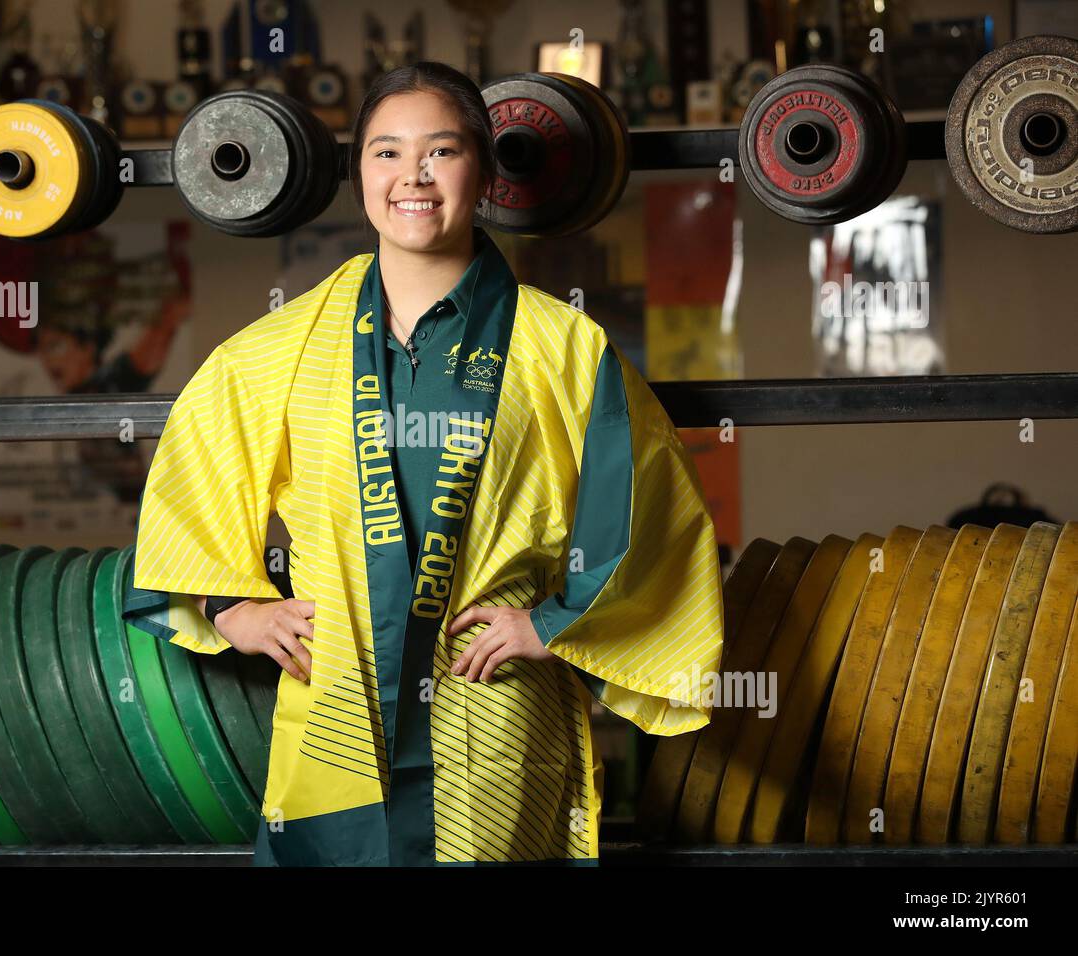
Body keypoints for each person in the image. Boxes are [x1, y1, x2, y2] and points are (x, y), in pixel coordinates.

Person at [124, 61, 724, 866]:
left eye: (441, 151)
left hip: (492, 710)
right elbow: (190, 492)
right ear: (360, 175)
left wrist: (551, 624)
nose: (413, 175)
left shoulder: (564, 347)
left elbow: (650, 515)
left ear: (482, 171)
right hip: (335, 706)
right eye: (385, 152)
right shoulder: (279, 347)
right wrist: (239, 609)